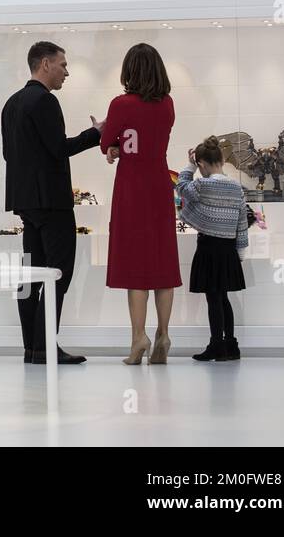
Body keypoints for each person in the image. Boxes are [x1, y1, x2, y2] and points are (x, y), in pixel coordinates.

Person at [1, 41, 104, 365]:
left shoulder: (12, 103)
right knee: (58, 273)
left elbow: (10, 155)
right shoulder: (45, 101)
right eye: (62, 64)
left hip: (25, 203)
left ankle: (32, 348)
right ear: (45, 64)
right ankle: (45, 346)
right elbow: (59, 149)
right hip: (52, 203)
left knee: (30, 275)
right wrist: (95, 133)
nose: (67, 71)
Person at [100, 43, 180, 365]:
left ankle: (138, 338)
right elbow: (151, 137)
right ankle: (163, 334)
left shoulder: (120, 104)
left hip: (132, 188)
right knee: (162, 264)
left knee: (136, 267)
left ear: (129, 70)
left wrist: (112, 142)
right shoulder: (168, 105)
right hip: (160, 185)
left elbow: (108, 142)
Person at [176, 136, 247, 362]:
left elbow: (181, 187)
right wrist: (241, 249)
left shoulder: (202, 184)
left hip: (209, 247)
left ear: (202, 164)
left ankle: (216, 346)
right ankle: (231, 346)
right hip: (228, 249)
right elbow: (242, 220)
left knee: (213, 299)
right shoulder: (236, 187)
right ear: (222, 161)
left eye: (199, 166)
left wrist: (189, 166)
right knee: (223, 298)